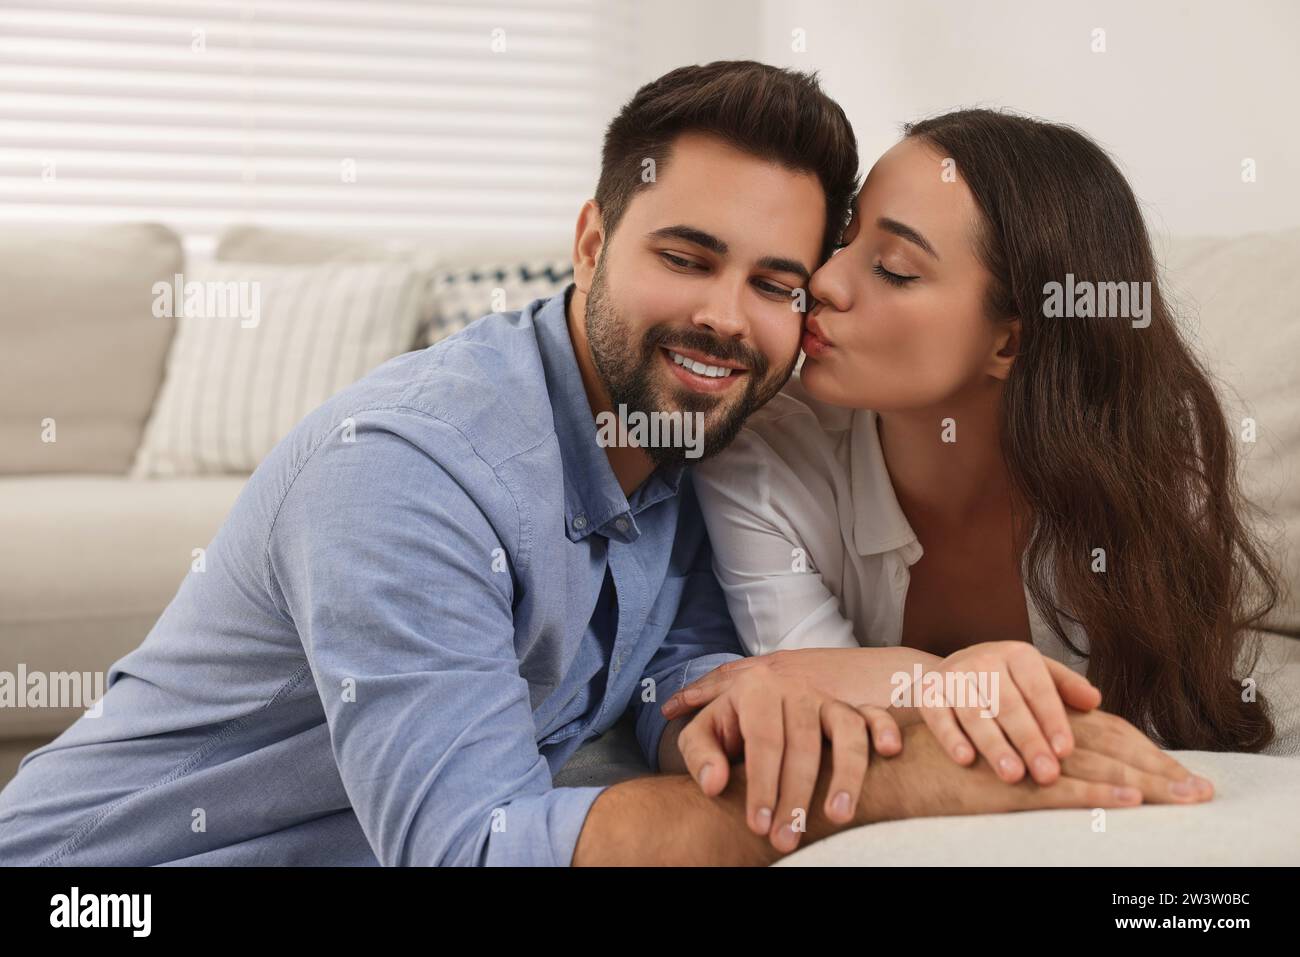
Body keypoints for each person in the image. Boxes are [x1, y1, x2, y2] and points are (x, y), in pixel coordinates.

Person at [0, 68, 1208, 868]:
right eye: (686, 256)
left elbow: (678, 687)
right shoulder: (405, 474)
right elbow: (475, 850)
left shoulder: (689, 443)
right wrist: (901, 786)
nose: (726, 317)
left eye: (776, 281)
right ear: (588, 241)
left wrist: (760, 706)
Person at [673, 109, 1276, 796]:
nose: (825, 282)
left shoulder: (1139, 464)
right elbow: (817, 709)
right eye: (843, 238)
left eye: (894, 270)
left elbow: (1152, 716)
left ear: (1010, 342)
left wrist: (922, 683)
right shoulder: (756, 451)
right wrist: (954, 681)